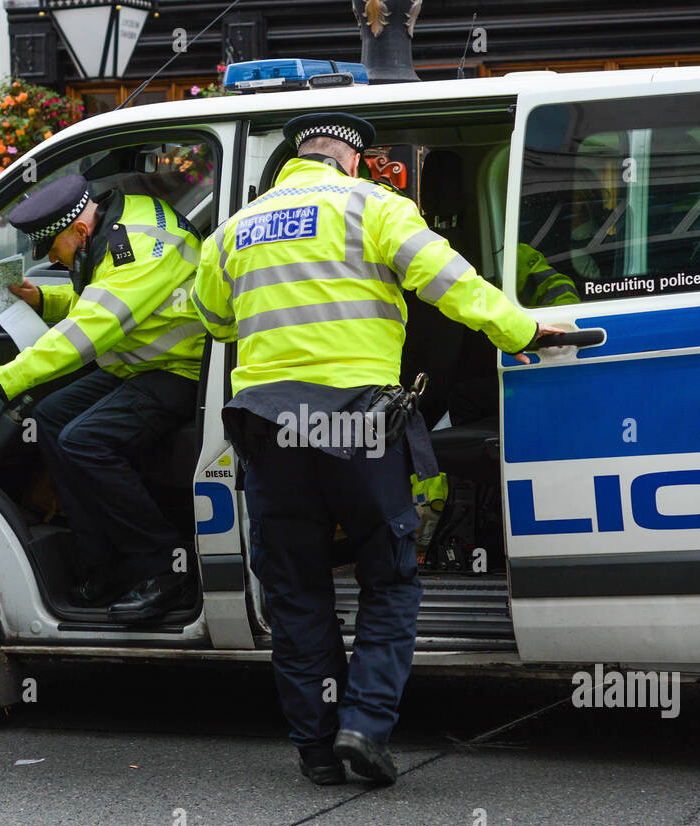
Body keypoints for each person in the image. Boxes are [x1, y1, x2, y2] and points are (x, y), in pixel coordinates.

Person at [192, 113, 565, 786]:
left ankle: (314, 745)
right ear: (354, 160)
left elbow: (214, 317)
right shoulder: (374, 206)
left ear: (293, 159)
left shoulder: (234, 230)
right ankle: (363, 726)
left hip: (272, 432)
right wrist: (524, 330)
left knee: (297, 589)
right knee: (388, 578)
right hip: (356, 426)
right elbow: (451, 282)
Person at [0, 173, 205, 620]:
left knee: (84, 440)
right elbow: (99, 293)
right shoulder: (119, 222)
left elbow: (88, 331)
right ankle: (103, 564)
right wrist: (45, 299)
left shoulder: (140, 251)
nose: (53, 260)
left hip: (180, 368)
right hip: (138, 362)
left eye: (54, 251)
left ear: (80, 230)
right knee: (51, 418)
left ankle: (168, 570)